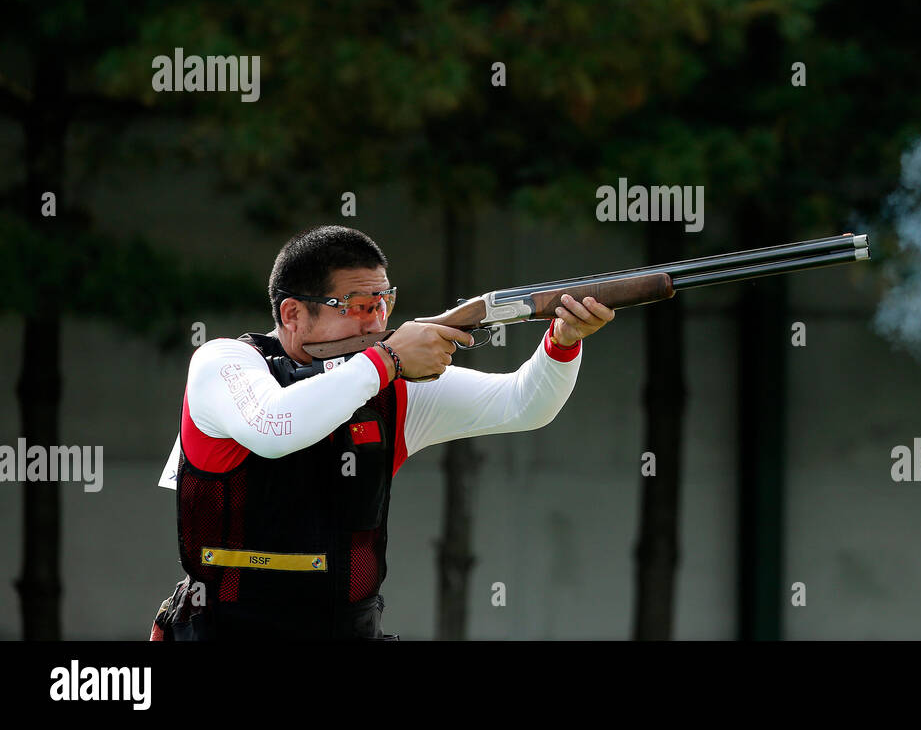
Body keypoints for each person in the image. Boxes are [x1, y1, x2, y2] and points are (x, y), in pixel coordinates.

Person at [150, 225, 613, 640]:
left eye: (384, 302)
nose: (376, 322)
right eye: (358, 306)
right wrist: (387, 360)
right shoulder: (224, 362)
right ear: (292, 313)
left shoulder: (388, 385)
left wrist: (562, 341)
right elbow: (276, 426)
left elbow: (523, 404)